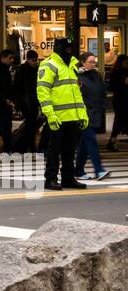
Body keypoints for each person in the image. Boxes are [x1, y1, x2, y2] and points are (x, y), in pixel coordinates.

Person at [37, 37, 87, 190]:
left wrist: (82, 114)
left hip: (72, 116)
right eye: (66, 48)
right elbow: (42, 92)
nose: (69, 50)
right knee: (54, 150)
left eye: (71, 48)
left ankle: (68, 178)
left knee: (69, 151)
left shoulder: (72, 65)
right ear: (58, 48)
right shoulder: (49, 65)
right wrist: (50, 115)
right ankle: (50, 179)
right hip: (57, 117)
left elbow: (76, 92)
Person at [75, 51, 109, 181]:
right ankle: (99, 170)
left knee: (85, 143)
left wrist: (102, 106)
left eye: (94, 61)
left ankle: (78, 170)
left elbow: (102, 91)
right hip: (83, 114)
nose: (93, 64)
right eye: (90, 62)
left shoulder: (97, 75)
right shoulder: (77, 75)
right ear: (83, 62)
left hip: (95, 112)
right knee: (91, 140)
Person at [12, 48, 40, 153]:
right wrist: (21, 103)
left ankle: (28, 147)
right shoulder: (24, 70)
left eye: (36, 60)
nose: (35, 62)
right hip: (27, 102)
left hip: (30, 102)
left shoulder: (32, 70)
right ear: (28, 59)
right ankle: (30, 147)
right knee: (30, 126)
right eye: (33, 60)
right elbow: (20, 89)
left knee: (30, 126)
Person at [106, 53, 128, 150]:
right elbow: (112, 87)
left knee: (122, 119)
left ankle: (112, 140)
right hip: (120, 99)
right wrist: (124, 83)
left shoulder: (126, 71)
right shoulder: (116, 73)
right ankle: (112, 140)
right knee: (119, 119)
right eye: (125, 62)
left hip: (125, 99)